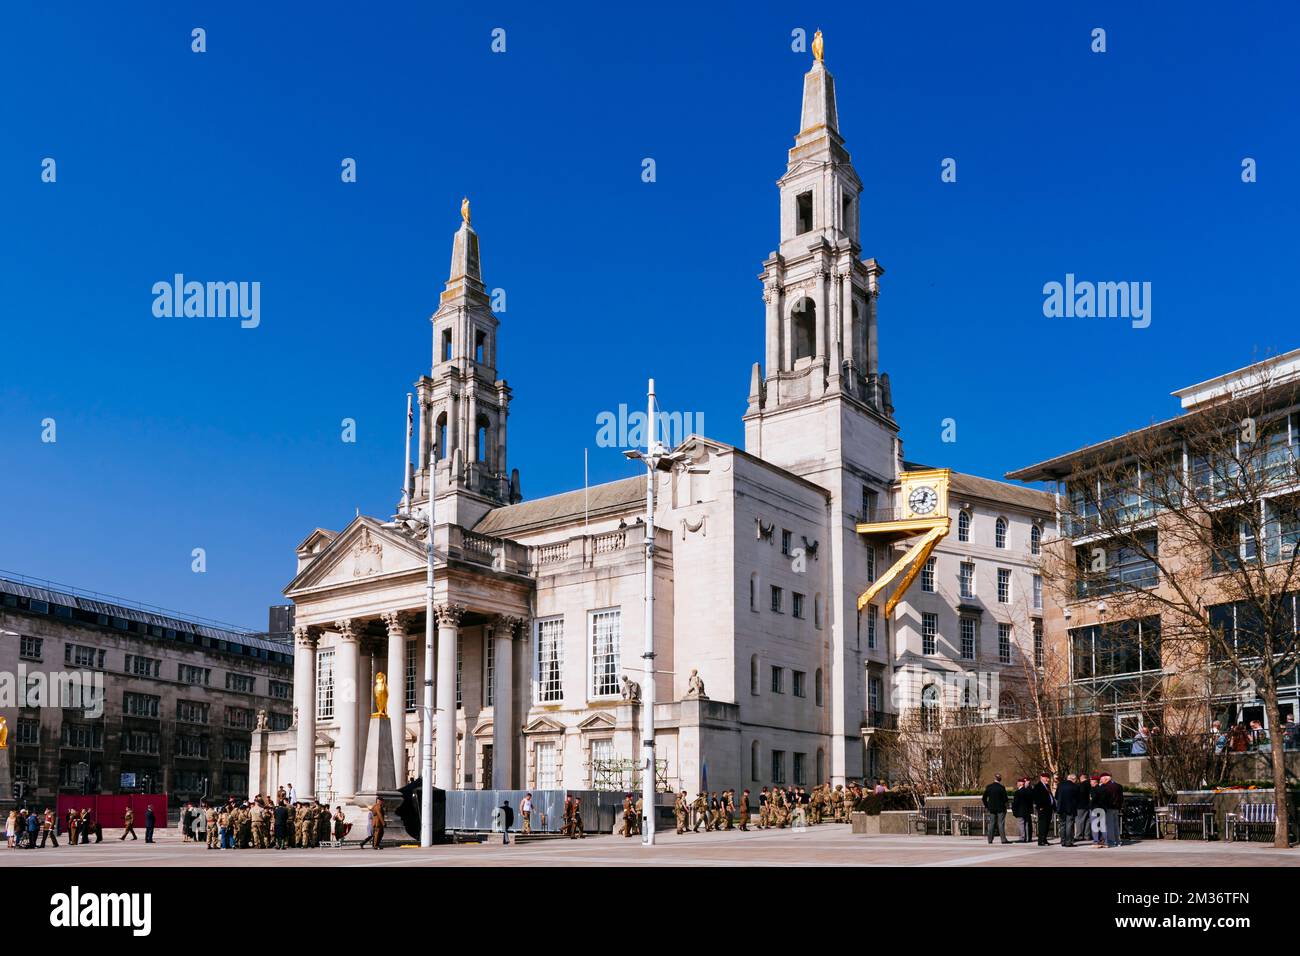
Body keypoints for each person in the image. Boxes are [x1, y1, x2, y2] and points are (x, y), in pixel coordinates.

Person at [980, 773, 1010, 844]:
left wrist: (987, 806)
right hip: (1000, 809)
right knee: (1000, 824)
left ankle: (990, 839)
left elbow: (984, 798)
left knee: (992, 823)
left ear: (994, 778)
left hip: (992, 809)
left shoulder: (989, 787)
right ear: (1000, 779)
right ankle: (1003, 839)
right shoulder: (1002, 788)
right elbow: (1005, 799)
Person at [1100, 771, 1124, 847]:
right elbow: (1121, 798)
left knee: (1109, 825)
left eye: (1102, 779)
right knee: (1116, 825)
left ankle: (1111, 841)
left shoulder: (1105, 787)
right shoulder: (1118, 786)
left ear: (1106, 779)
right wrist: (1119, 807)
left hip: (1108, 808)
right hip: (1116, 808)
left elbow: (1103, 798)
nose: (1101, 781)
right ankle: (1118, 841)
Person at [1031, 773, 1055, 846]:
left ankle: (1044, 839)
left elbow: (1049, 796)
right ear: (1041, 777)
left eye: (1048, 778)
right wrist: (1040, 806)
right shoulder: (1038, 786)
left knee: (1047, 825)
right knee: (1042, 825)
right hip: (1043, 809)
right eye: (1045, 778)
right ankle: (1041, 840)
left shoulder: (1047, 786)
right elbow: (1036, 797)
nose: (1047, 779)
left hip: (1049, 808)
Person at [1056, 773, 1079, 847]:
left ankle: (1063, 841)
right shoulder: (1074, 786)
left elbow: (1056, 796)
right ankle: (1068, 842)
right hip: (1070, 808)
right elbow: (1077, 798)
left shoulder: (1060, 785)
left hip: (1061, 808)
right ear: (1073, 779)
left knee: (1062, 825)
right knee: (1069, 825)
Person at [1088, 774, 1107, 848]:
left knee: (1094, 825)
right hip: (1102, 808)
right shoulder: (1103, 788)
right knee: (1103, 826)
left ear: (1094, 782)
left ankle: (1096, 842)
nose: (1090, 782)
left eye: (1091, 781)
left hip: (1095, 809)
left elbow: (1093, 799)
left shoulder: (1093, 789)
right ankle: (1105, 842)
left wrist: (1091, 805)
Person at [1011, 778, 1033, 842]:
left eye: (1018, 783)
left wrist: (1014, 810)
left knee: (1021, 825)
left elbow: (1016, 803)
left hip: (1020, 811)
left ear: (1021, 783)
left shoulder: (1017, 792)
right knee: (1026, 824)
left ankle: (1022, 838)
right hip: (1027, 811)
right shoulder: (1028, 791)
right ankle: (1027, 838)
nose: (1017, 784)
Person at [1075, 772, 1092, 844]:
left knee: (1080, 821)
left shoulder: (1080, 785)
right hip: (1089, 805)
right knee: (1087, 820)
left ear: (1081, 777)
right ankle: (1087, 835)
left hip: (1081, 805)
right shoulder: (1090, 784)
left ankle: (1079, 835)